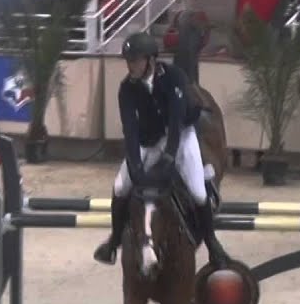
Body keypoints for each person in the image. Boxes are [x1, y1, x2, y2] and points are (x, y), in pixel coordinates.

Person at [93, 32, 228, 268]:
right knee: (120, 186)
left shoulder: (173, 77)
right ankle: (113, 241)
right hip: (149, 140)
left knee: (197, 192)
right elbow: (130, 128)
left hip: (181, 136)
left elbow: (176, 122)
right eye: (128, 61)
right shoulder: (127, 88)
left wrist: (169, 157)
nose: (130, 66)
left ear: (150, 60)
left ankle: (212, 243)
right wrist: (134, 163)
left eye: (135, 60)